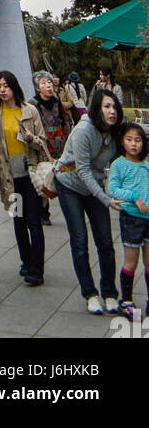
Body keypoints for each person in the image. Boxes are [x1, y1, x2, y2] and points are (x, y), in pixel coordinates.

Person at [54, 88, 123, 313]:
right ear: (96, 108)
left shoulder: (116, 133)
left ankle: (110, 293)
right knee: (80, 241)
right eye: (106, 106)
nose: (112, 111)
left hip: (93, 186)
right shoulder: (84, 130)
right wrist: (106, 198)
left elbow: (122, 163)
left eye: (114, 107)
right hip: (70, 185)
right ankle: (90, 293)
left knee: (105, 242)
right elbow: (83, 171)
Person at [0, 70, 47, 285]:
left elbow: (43, 142)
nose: (2, 90)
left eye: (6, 85)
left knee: (34, 221)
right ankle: (26, 262)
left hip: (30, 174)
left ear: (14, 87)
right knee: (18, 221)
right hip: (10, 178)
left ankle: (37, 269)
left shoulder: (29, 111)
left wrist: (31, 139)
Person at [107, 123, 149, 318]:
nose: (134, 144)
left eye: (138, 140)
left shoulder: (146, 165)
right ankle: (126, 301)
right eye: (130, 139)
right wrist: (134, 197)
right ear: (122, 142)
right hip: (131, 219)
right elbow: (113, 189)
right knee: (131, 262)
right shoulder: (118, 164)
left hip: (148, 219)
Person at [32, 71, 72, 223]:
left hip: (59, 147)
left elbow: (65, 122)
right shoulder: (32, 105)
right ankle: (43, 212)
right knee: (44, 179)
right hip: (42, 148)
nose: (48, 85)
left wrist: (67, 141)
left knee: (60, 178)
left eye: (49, 82)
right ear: (37, 88)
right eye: (43, 83)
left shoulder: (57, 103)